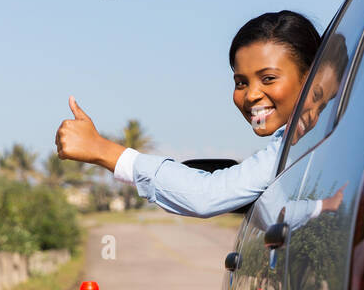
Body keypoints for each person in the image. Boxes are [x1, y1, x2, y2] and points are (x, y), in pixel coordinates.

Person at [54, 11, 342, 218]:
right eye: (241, 82)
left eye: (268, 78)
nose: (250, 94)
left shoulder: (301, 143)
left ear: (310, 79)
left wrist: (101, 150)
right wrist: (325, 207)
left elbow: (207, 196)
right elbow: (281, 211)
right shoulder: (307, 142)